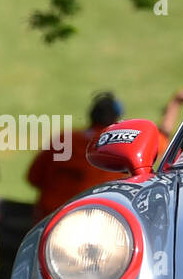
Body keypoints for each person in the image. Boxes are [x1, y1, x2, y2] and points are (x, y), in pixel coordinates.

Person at [28, 92, 130, 222]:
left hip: (48, 219)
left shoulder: (64, 139)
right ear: (116, 119)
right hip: (92, 222)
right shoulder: (116, 147)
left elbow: (33, 177)